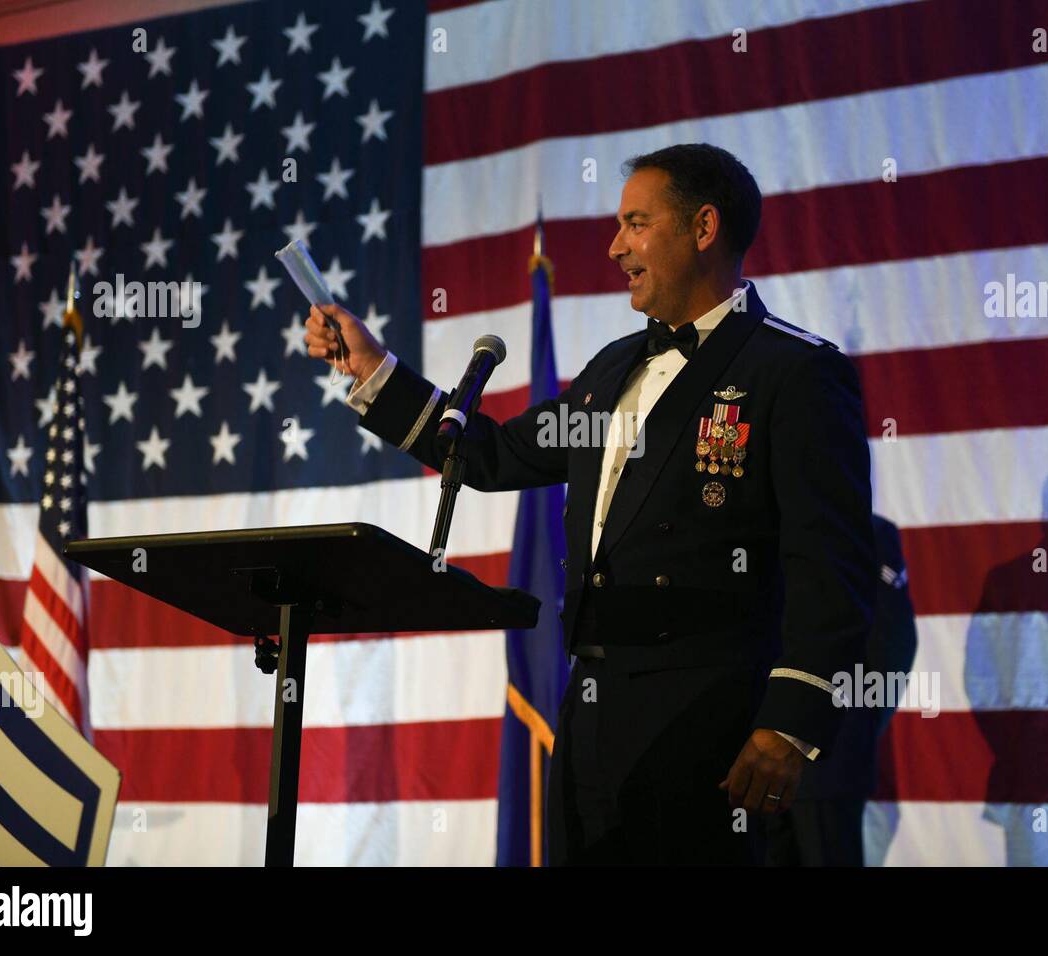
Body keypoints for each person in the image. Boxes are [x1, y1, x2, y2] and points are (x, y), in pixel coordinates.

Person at [305, 143, 876, 865]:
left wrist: (790, 725)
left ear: (704, 228)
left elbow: (834, 568)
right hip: (591, 713)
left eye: (636, 223)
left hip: (711, 722)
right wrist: (372, 369)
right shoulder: (611, 371)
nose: (614, 247)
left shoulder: (794, 372)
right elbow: (488, 455)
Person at [764, 513, 917, 866]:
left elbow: (892, 644)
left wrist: (850, 728)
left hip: (827, 759)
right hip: (750, 756)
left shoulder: (870, 533)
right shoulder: (755, 526)